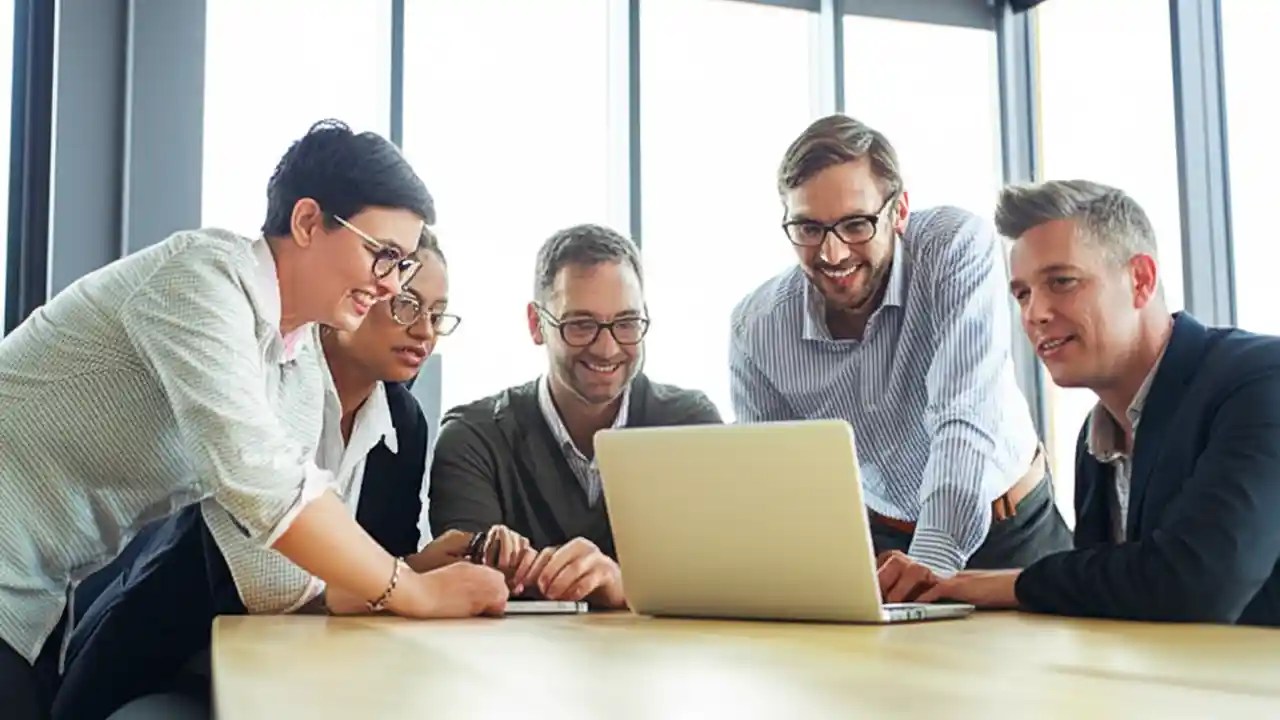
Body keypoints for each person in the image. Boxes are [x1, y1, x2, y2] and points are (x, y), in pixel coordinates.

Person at [0, 120, 506, 719]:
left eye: (401, 264)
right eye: (384, 255)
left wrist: (415, 574)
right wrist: (414, 591)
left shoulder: (283, 366)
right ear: (308, 222)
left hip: (33, 598)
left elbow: (273, 574)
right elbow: (265, 486)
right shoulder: (204, 280)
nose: (390, 283)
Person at [729, 114, 1071, 600]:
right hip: (882, 546)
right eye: (808, 228)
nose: (832, 253)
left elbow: (963, 415)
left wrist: (930, 565)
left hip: (1012, 530)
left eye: (855, 224)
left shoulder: (955, 247)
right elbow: (779, 484)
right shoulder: (754, 327)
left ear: (900, 210)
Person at [917, 179, 1280, 626]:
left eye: (1062, 282)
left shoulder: (1261, 382)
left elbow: (1199, 582)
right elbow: (1102, 604)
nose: (1035, 314)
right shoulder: (1096, 441)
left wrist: (1000, 584)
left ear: (1140, 280)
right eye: (1022, 293)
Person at [428, 224, 722, 609]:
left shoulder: (690, 426)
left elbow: (718, 578)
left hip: (658, 663)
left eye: (627, 323)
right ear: (537, 325)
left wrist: (622, 588)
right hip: (515, 661)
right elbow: (469, 589)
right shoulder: (473, 439)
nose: (607, 347)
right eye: (581, 325)